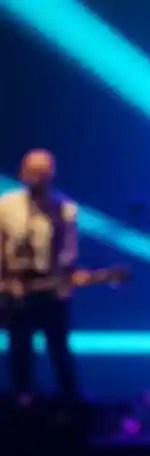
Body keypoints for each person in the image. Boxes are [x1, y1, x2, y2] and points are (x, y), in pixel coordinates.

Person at [0, 149, 84, 399]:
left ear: (51, 174)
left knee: (59, 349)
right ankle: (22, 399)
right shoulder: (6, 205)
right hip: (15, 290)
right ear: (22, 172)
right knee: (19, 348)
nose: (36, 177)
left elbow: (70, 252)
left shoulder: (65, 209)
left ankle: (71, 403)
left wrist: (67, 281)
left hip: (51, 290)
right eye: (31, 171)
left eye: (42, 172)